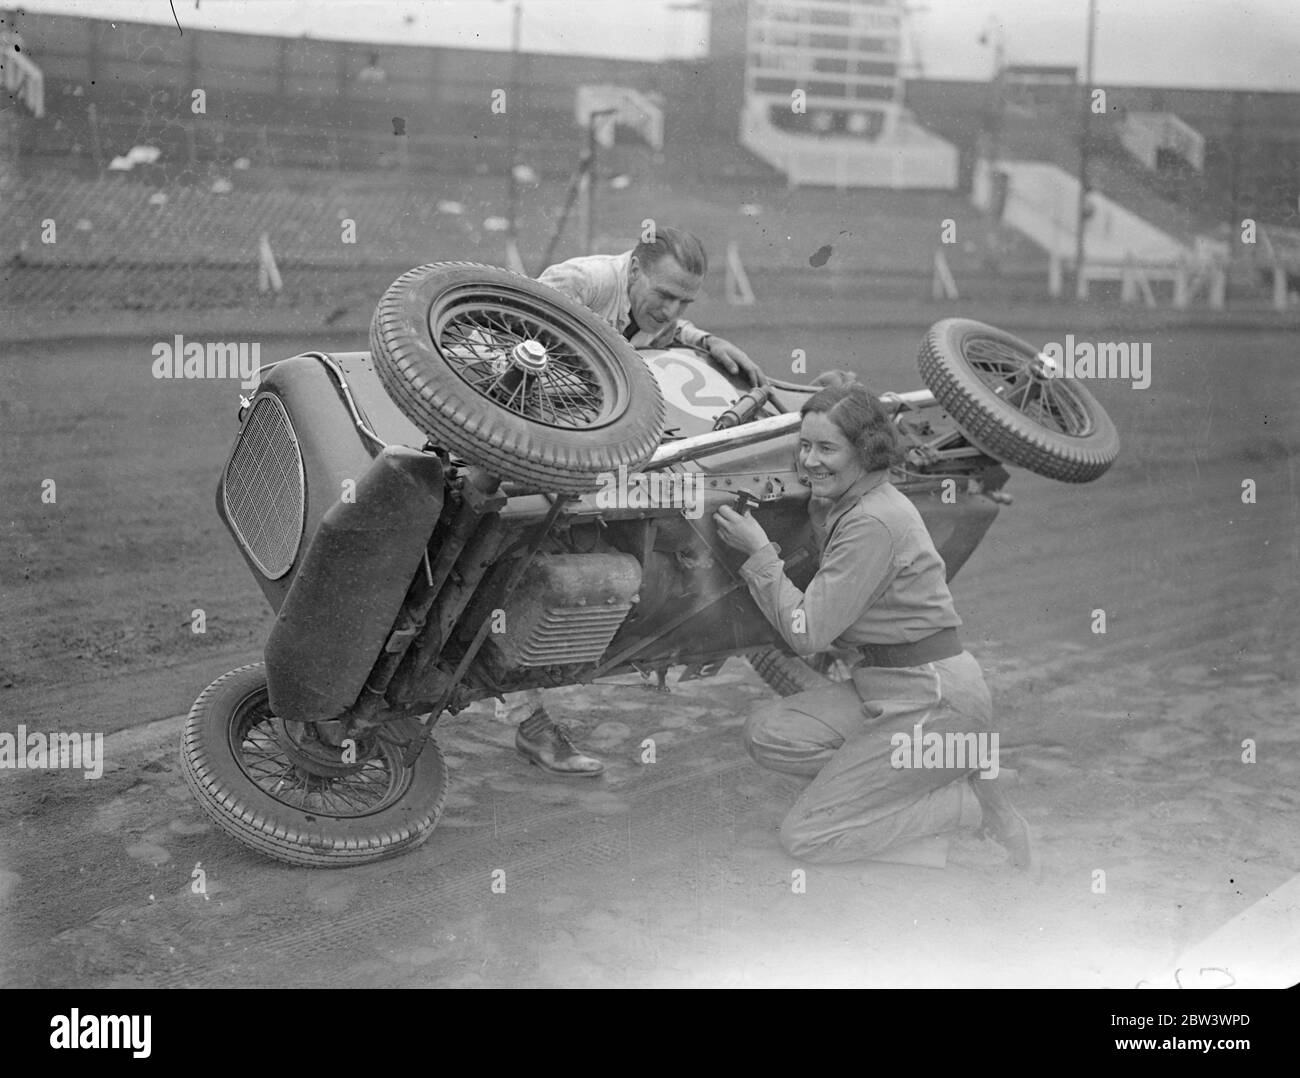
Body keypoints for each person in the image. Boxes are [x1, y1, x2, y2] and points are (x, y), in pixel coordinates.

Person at [711, 376, 1034, 869]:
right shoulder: (855, 502)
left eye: (826, 449)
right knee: (768, 731)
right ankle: (910, 780)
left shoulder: (872, 522)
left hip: (934, 701)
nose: (809, 461)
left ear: (867, 451)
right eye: (804, 447)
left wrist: (759, 553)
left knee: (808, 837)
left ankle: (971, 804)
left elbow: (806, 634)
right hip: (889, 688)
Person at [504, 226, 766, 778]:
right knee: (526, 560)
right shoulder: (579, 282)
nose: (671, 310)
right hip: (524, 434)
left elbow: (659, 326)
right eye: (665, 295)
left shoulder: (653, 307)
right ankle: (530, 720)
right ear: (633, 270)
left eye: (685, 301)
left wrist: (700, 339)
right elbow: (515, 350)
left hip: (594, 437)